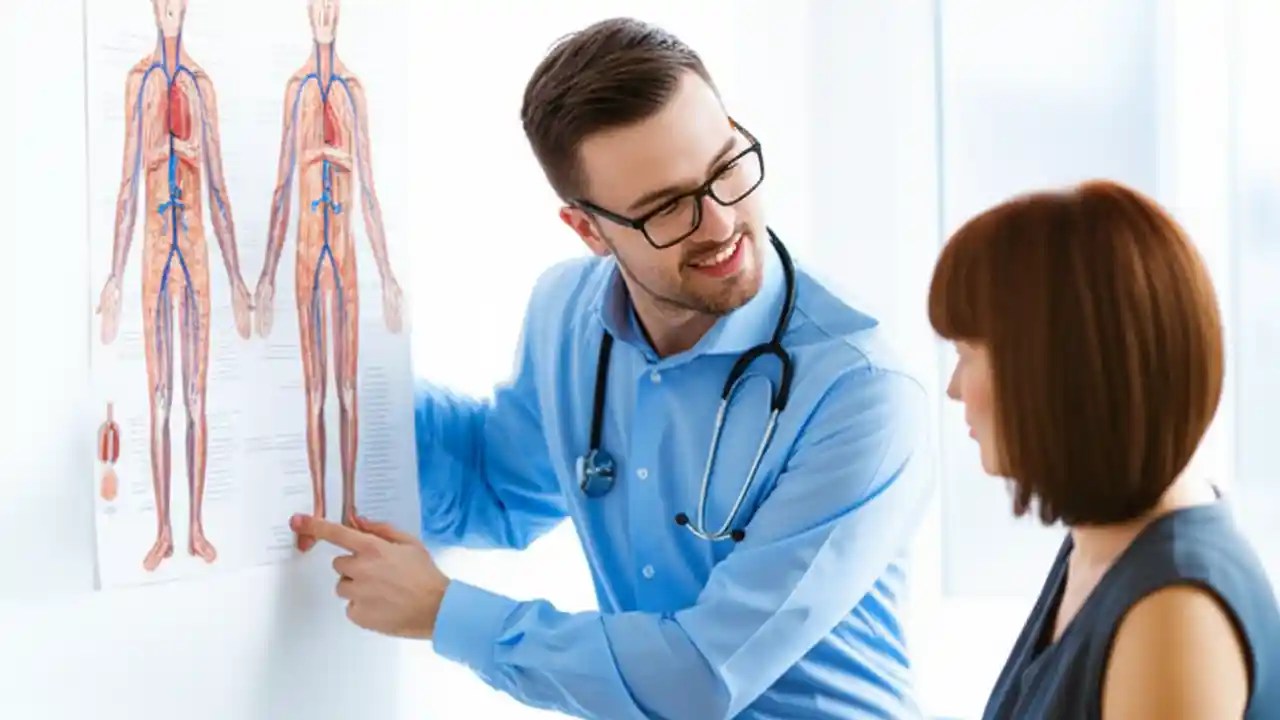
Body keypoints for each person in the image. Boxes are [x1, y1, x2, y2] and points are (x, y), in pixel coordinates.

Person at [291, 15, 935, 720]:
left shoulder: (859, 393)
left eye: (726, 169)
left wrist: (446, 612)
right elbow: (495, 493)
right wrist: (337, 372)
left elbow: (699, 679)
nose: (719, 224)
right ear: (588, 229)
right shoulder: (566, 316)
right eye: (666, 209)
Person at [928, 178, 1280, 719]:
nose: (954, 388)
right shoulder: (1099, 543)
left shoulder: (1174, 617)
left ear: (1056, 372)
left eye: (969, 353)